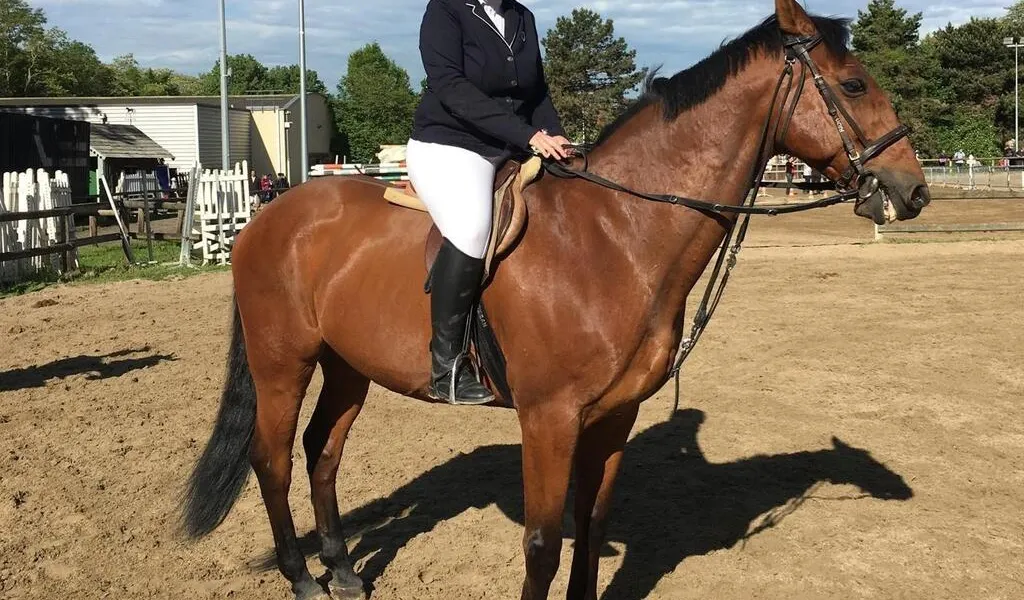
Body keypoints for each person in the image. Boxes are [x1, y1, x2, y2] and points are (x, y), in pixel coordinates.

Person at [407, 0, 570, 404]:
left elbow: (538, 91)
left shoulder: (521, 16)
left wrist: (554, 132)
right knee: (473, 227)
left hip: (510, 145)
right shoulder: (445, 10)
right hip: (450, 145)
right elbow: (451, 87)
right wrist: (529, 136)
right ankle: (446, 366)